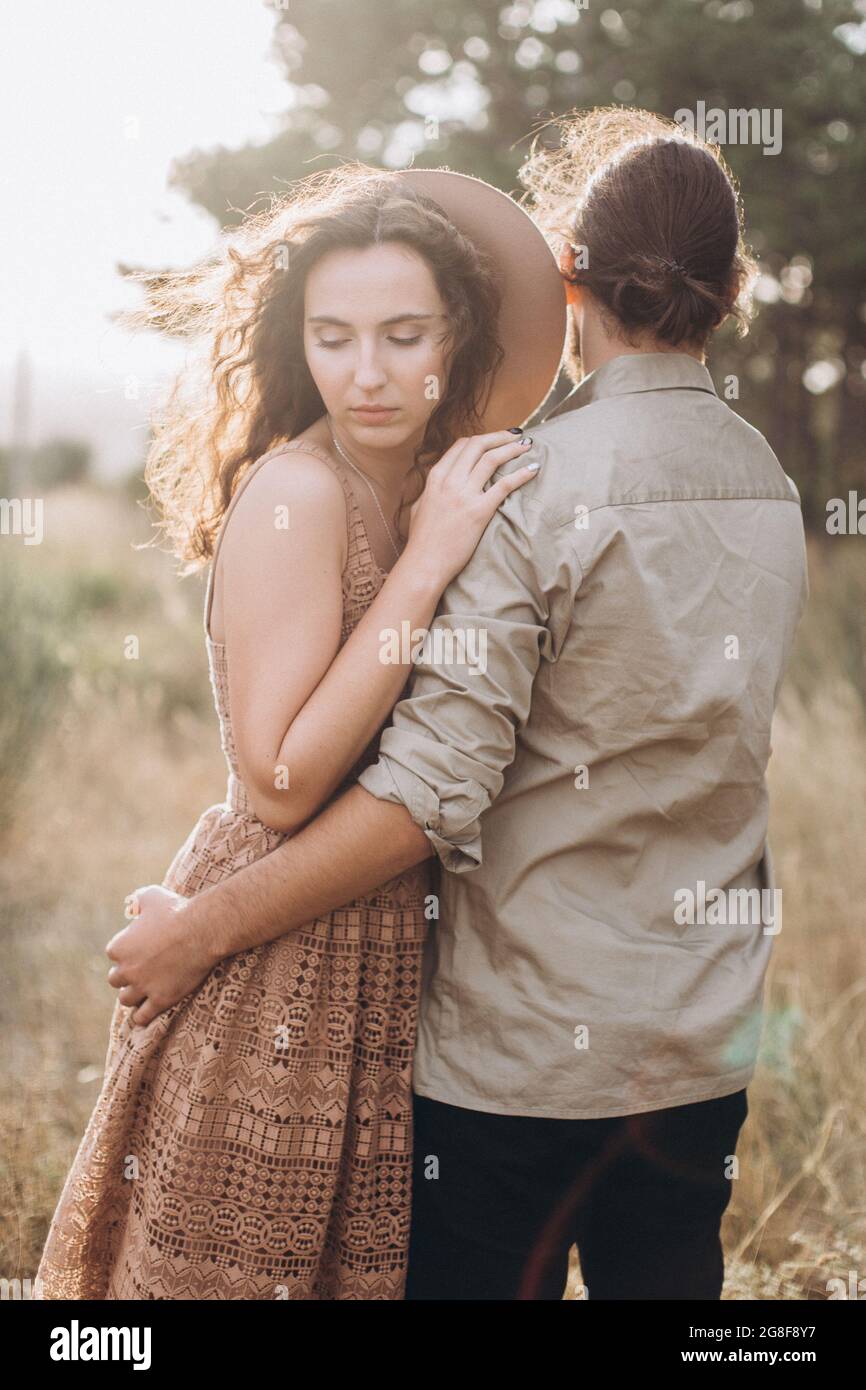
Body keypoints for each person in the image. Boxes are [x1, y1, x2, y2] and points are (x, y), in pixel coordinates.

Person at [99, 108, 809, 1301]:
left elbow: (425, 792)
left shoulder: (528, 490)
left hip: (510, 1060)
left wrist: (204, 926)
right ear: (730, 287)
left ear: (568, 278)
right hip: (694, 1042)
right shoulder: (771, 491)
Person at [35, 163, 566, 1300]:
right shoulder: (300, 493)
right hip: (269, 960)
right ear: (297, 341)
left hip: (384, 956)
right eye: (332, 337)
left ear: (455, 335)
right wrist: (426, 562)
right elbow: (279, 782)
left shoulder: (426, 479)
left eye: (401, 334)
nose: (366, 374)